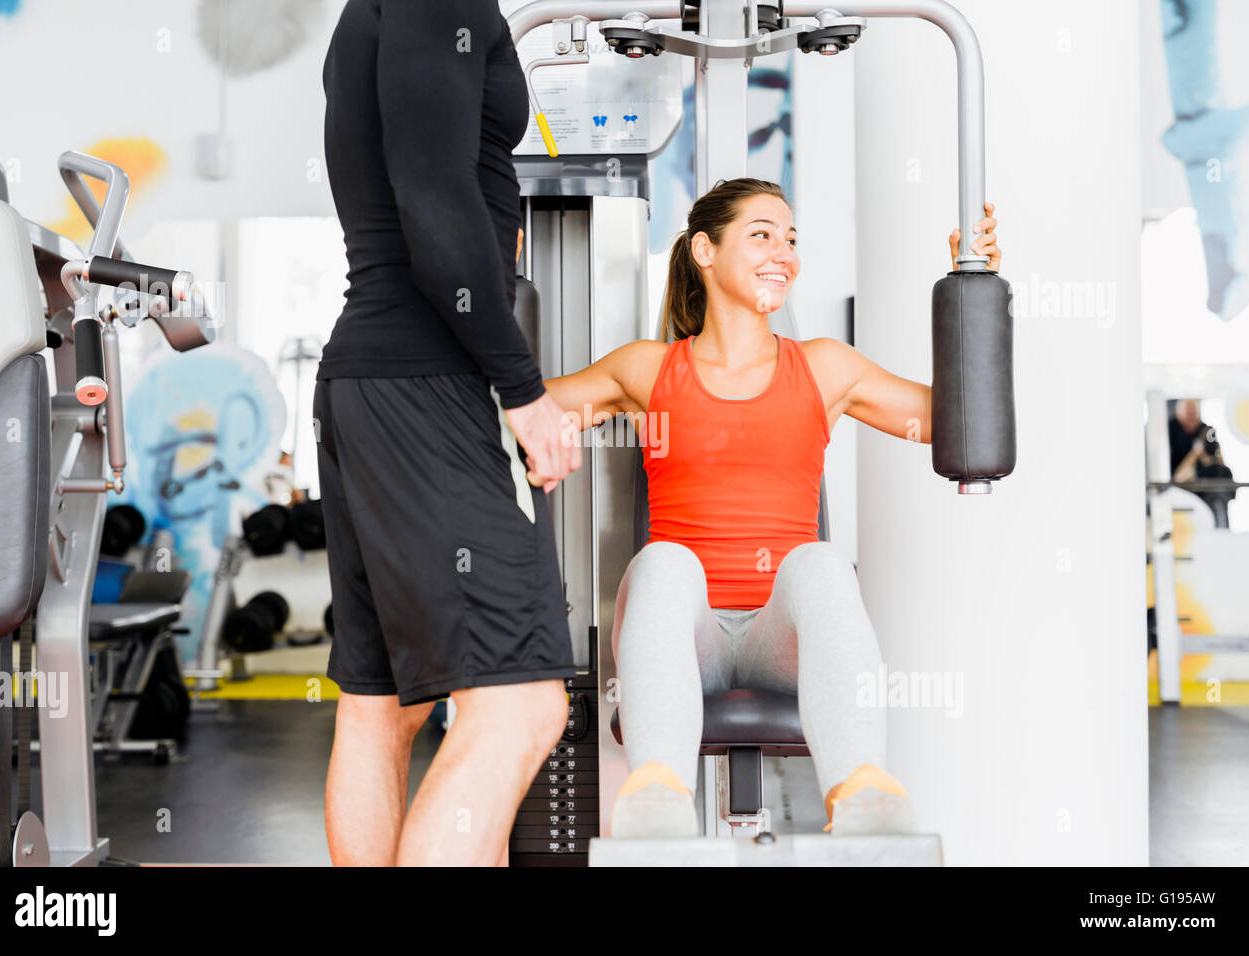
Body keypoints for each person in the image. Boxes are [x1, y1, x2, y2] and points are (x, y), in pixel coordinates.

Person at [542, 178, 1001, 836]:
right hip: (686, 634)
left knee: (818, 562)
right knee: (664, 560)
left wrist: (973, 293)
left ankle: (861, 794)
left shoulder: (824, 368)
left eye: (790, 239)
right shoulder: (647, 370)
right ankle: (658, 800)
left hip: (774, 640)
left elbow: (953, 419)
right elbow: (521, 412)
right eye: (761, 234)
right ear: (705, 250)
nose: (783, 252)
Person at [315, 1, 581, 866]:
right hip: (434, 377)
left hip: (375, 374)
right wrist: (522, 387)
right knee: (520, 706)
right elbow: (434, 198)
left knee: (383, 703)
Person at [1168, 398, 1235, 526]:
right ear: (1179, 413)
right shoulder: (1170, 430)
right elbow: (1178, 477)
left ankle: (1221, 532)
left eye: (1194, 412)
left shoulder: (1207, 430)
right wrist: (1195, 452)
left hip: (1208, 485)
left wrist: (1208, 456)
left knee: (1220, 476)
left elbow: (1218, 463)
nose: (1192, 416)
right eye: (1189, 412)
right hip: (1183, 486)